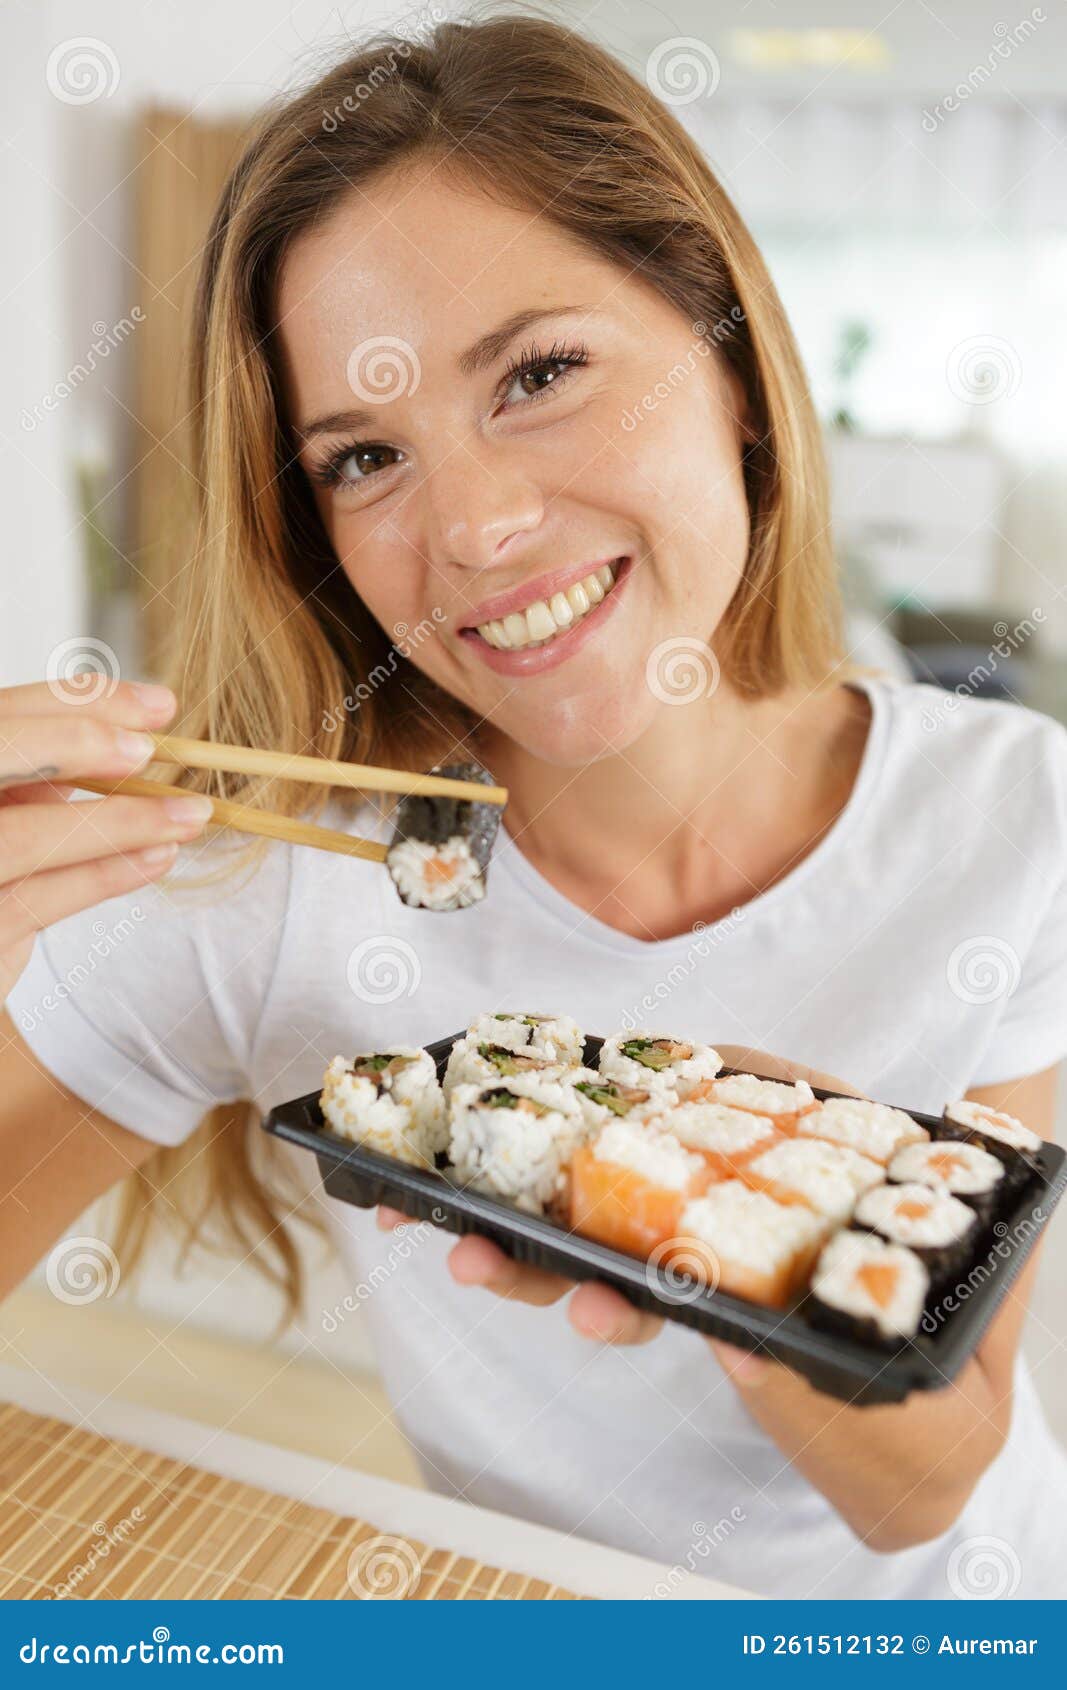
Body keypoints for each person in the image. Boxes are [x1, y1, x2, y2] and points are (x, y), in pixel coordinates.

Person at [3, 14, 1066, 1599]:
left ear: (736, 358)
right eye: (364, 457)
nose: (479, 529)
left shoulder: (1013, 812)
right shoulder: (276, 873)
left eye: (541, 372)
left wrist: (731, 1221)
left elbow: (926, 1491)